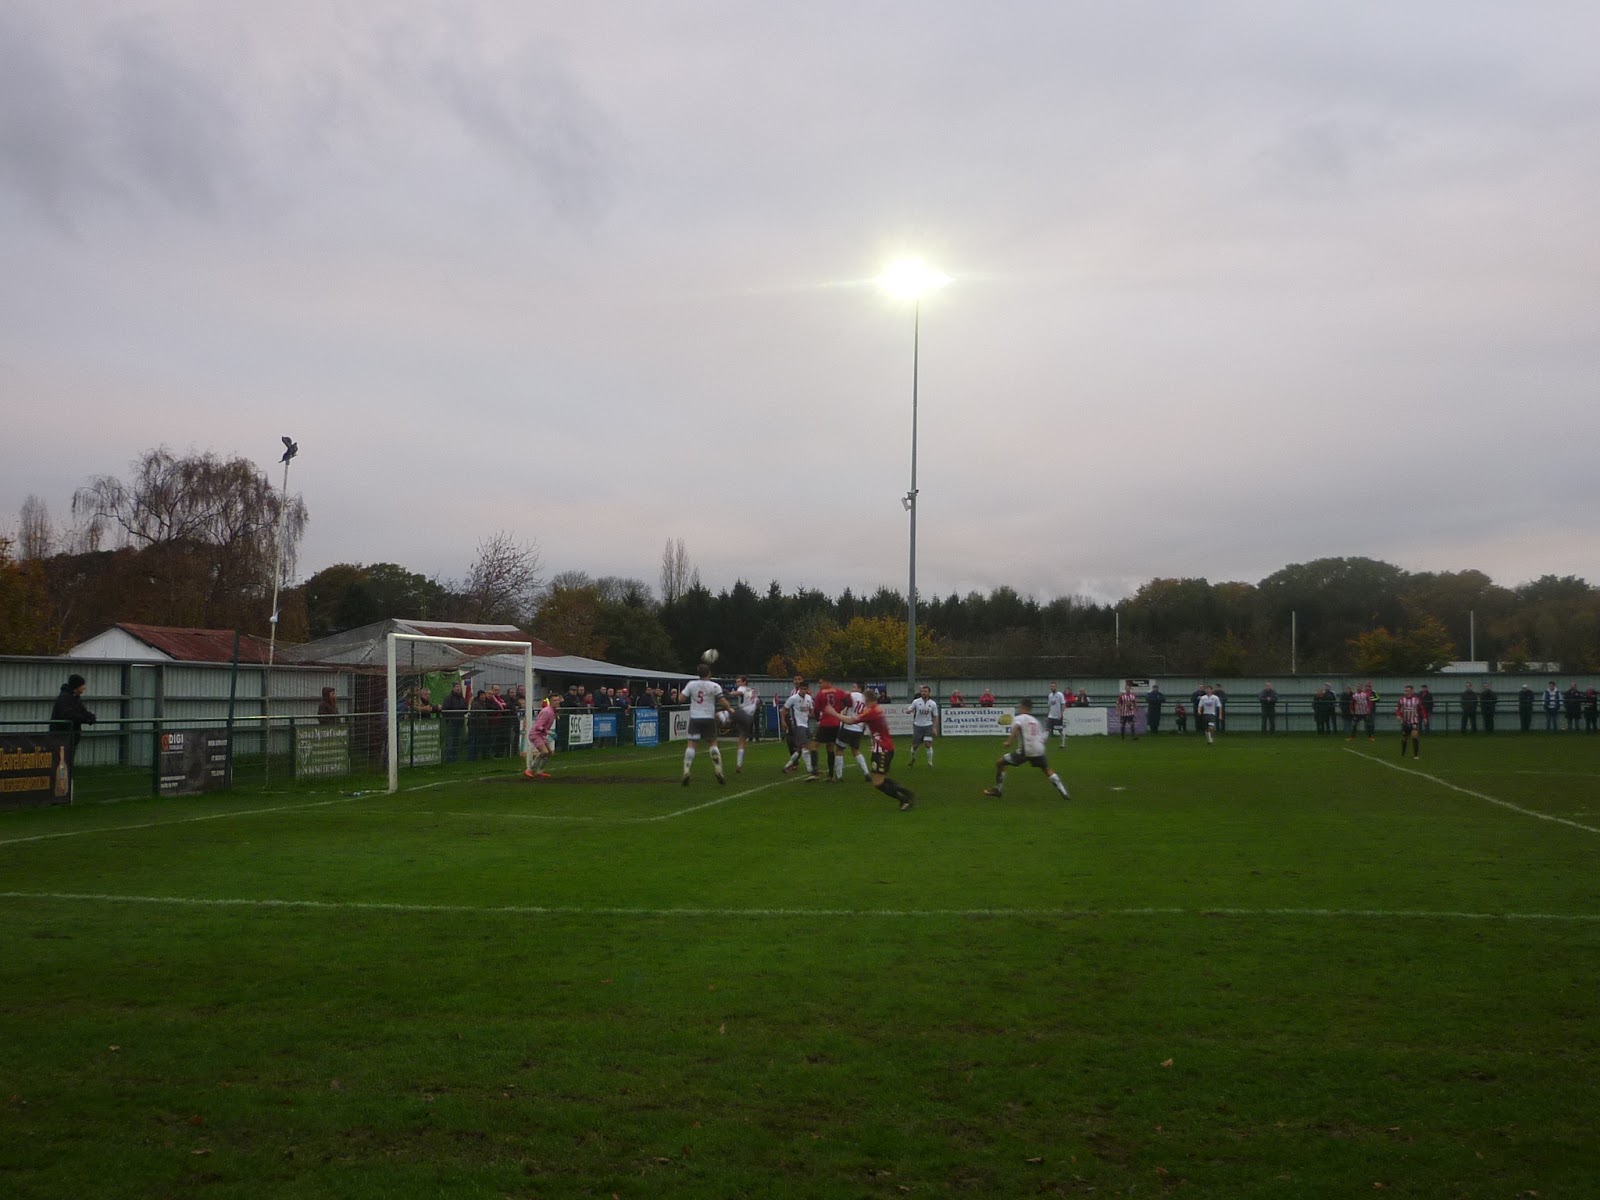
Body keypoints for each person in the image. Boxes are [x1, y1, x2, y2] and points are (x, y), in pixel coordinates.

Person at [982, 698, 1070, 799]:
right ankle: (1064, 791)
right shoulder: (1035, 721)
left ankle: (998, 789)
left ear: (1022, 707)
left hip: (1026, 750)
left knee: (1000, 762)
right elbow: (1043, 739)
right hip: (1039, 749)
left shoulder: (1020, 718)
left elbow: (1016, 727)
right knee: (1047, 769)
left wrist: (1009, 741)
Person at [856, 689, 916, 811]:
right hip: (881, 748)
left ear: (867, 699)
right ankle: (905, 794)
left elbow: (851, 720)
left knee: (878, 782)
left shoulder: (872, 711)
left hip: (882, 750)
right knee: (878, 780)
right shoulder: (876, 709)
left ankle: (905, 798)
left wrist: (833, 713)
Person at [680, 662, 731, 785]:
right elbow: (722, 700)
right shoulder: (714, 686)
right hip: (709, 717)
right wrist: (730, 709)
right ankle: (718, 769)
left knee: (691, 744)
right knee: (712, 743)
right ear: (709, 673)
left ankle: (686, 770)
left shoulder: (691, 684)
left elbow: (681, 699)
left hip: (695, 717)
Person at [822, 682, 873, 781]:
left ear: (859, 688)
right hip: (858, 728)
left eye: (854, 687)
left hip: (848, 726)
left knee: (839, 749)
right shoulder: (866, 699)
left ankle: (839, 776)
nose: (852, 688)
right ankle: (866, 772)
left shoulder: (852, 695)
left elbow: (843, 699)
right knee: (855, 750)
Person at [49, 673, 97, 770]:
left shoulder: (75, 698)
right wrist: (86, 719)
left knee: (68, 759)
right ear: (77, 686)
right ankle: (61, 777)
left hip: (71, 735)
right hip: (62, 735)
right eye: (82, 685)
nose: (84, 687)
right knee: (62, 759)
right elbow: (69, 714)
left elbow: (82, 711)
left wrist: (91, 717)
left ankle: (68, 775)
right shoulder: (65, 698)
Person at [811, 675, 849, 782]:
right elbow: (848, 702)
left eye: (820, 682)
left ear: (827, 682)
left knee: (814, 745)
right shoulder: (839, 691)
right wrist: (840, 709)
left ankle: (814, 771)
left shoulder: (820, 694)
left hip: (825, 723)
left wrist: (818, 718)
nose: (819, 685)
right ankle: (831, 775)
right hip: (836, 723)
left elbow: (816, 709)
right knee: (830, 747)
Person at [782, 680, 817, 777]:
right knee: (805, 747)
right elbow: (784, 709)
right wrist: (783, 721)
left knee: (800, 749)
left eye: (805, 689)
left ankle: (788, 765)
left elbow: (811, 712)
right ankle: (810, 770)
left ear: (807, 689)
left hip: (806, 724)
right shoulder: (793, 698)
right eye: (801, 689)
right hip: (797, 725)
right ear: (799, 689)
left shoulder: (809, 698)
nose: (803, 691)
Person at [523, 694, 560, 779]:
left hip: (542, 735)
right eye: (555, 700)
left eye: (558, 700)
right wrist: (549, 732)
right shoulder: (546, 711)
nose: (557, 702)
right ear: (550, 701)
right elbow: (538, 726)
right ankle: (530, 769)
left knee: (549, 752)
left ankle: (540, 772)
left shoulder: (553, 711)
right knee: (544, 752)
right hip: (535, 734)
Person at [731, 675, 761, 773]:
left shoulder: (742, 688)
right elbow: (758, 702)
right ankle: (739, 764)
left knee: (724, 713)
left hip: (742, 713)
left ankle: (723, 719)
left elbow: (739, 692)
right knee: (742, 740)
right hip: (749, 717)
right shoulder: (752, 690)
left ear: (744, 682)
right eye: (737, 682)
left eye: (739, 681)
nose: (737, 684)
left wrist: (729, 693)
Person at [906, 685, 938, 768]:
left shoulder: (933, 703)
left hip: (928, 726)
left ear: (929, 693)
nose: (923, 693)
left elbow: (935, 716)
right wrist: (908, 710)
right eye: (922, 691)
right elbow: (910, 708)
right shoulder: (916, 701)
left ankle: (930, 763)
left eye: (925, 691)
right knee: (915, 746)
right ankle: (912, 759)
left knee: (928, 744)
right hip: (917, 725)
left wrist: (934, 727)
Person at [441, 680, 468, 762]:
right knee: (450, 741)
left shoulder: (462, 698)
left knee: (457, 741)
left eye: (459, 687)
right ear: (453, 688)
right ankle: (449, 758)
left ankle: (455, 758)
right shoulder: (448, 698)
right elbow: (445, 710)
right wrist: (451, 718)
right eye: (456, 687)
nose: (458, 688)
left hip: (460, 723)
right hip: (451, 723)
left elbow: (465, 709)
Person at [1395, 685, 1424, 759]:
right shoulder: (1401, 700)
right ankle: (1403, 752)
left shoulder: (1416, 699)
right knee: (1405, 738)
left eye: (1408, 690)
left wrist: (1424, 717)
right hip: (1405, 721)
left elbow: (1421, 709)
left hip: (1414, 721)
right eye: (1405, 691)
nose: (1406, 692)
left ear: (1412, 691)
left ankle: (1416, 755)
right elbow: (1398, 709)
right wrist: (1398, 715)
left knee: (1414, 736)